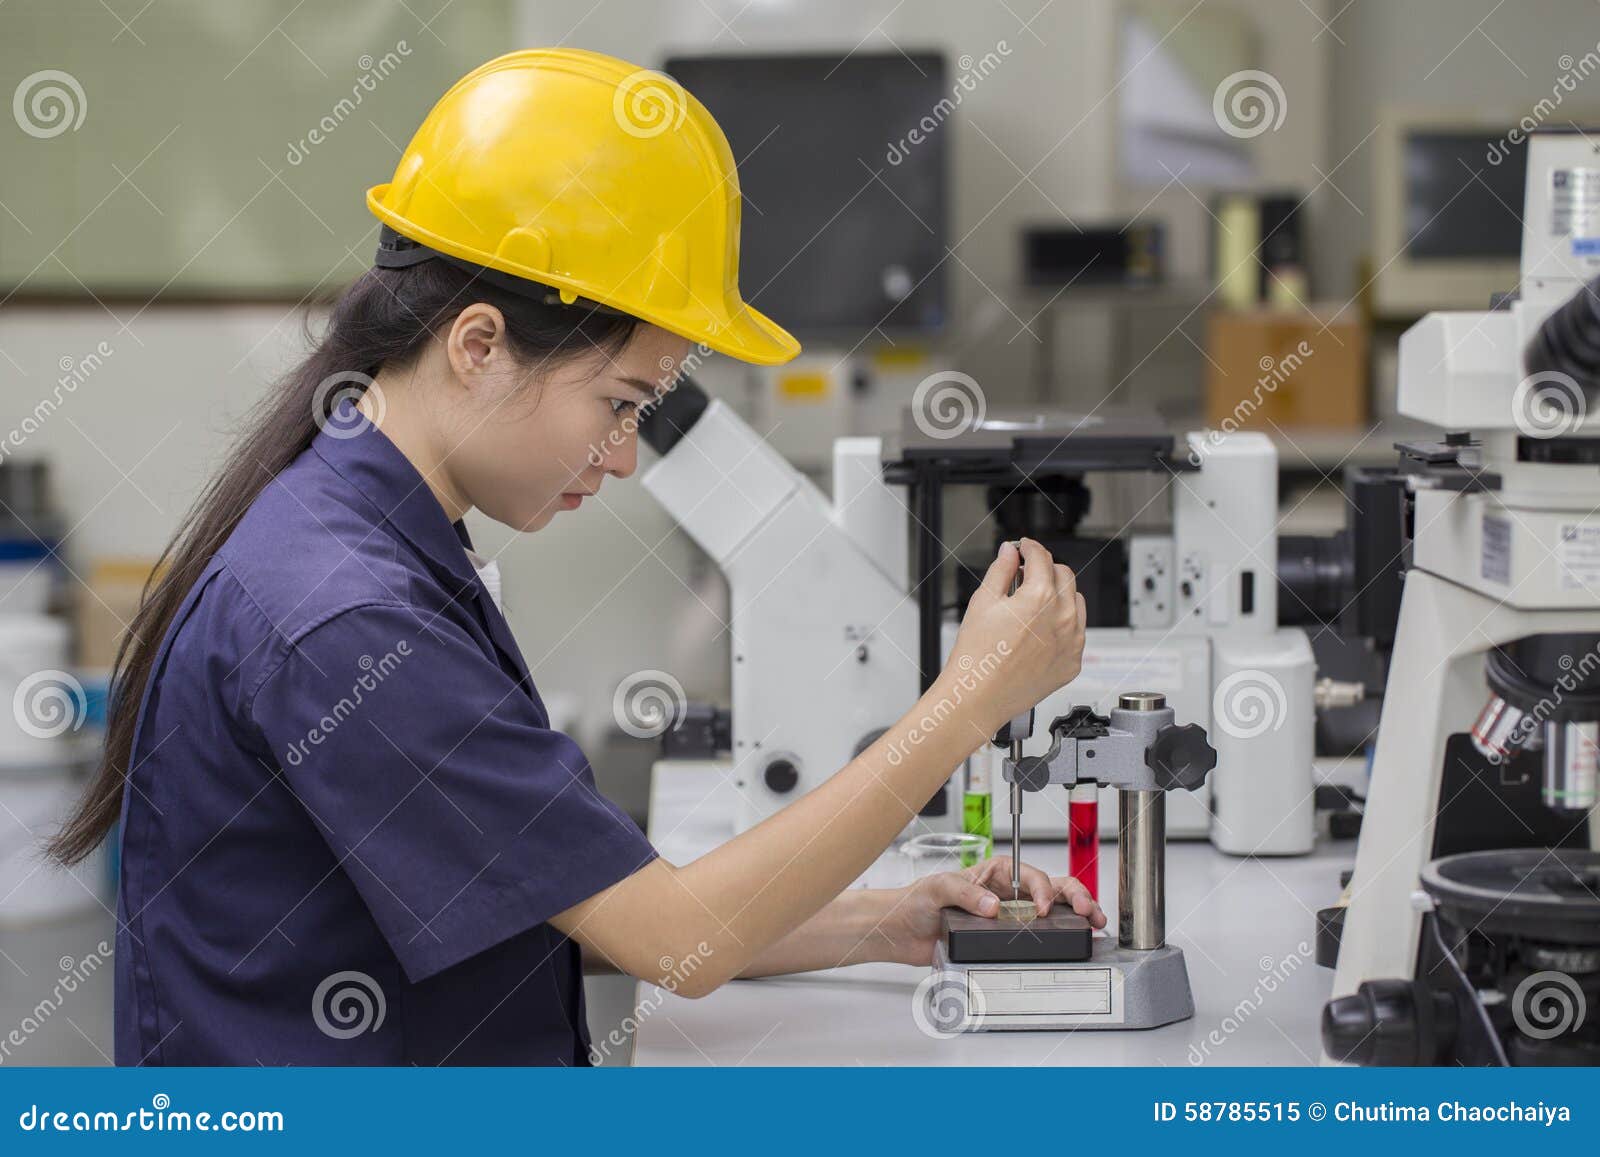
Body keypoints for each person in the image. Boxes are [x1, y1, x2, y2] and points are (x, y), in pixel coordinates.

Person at [51, 47, 1096, 1066]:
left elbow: (549, 895)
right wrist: (966, 699)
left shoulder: (370, 538)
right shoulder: (350, 618)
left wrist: (878, 920)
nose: (627, 454)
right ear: (477, 345)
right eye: (619, 402)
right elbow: (675, 939)